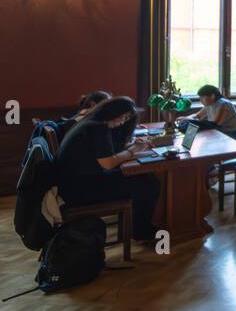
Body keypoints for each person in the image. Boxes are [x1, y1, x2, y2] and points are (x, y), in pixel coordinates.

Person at [56, 96, 161, 240]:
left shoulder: (91, 122)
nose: (122, 122)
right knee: (148, 183)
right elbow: (108, 163)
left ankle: (138, 227)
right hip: (81, 190)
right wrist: (133, 150)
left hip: (74, 185)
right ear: (112, 112)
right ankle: (141, 230)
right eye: (122, 117)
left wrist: (133, 147)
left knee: (145, 178)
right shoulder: (97, 128)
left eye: (126, 118)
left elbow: (107, 155)